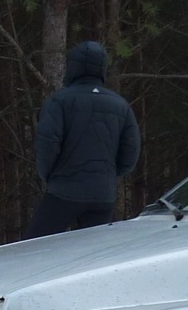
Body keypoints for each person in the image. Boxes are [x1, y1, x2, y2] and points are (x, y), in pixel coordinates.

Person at [24, 40, 141, 238]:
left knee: (35, 249)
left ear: (73, 67)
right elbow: (130, 153)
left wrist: (51, 177)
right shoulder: (121, 105)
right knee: (92, 257)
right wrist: (108, 175)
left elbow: (46, 145)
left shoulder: (59, 101)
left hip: (64, 192)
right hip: (103, 195)